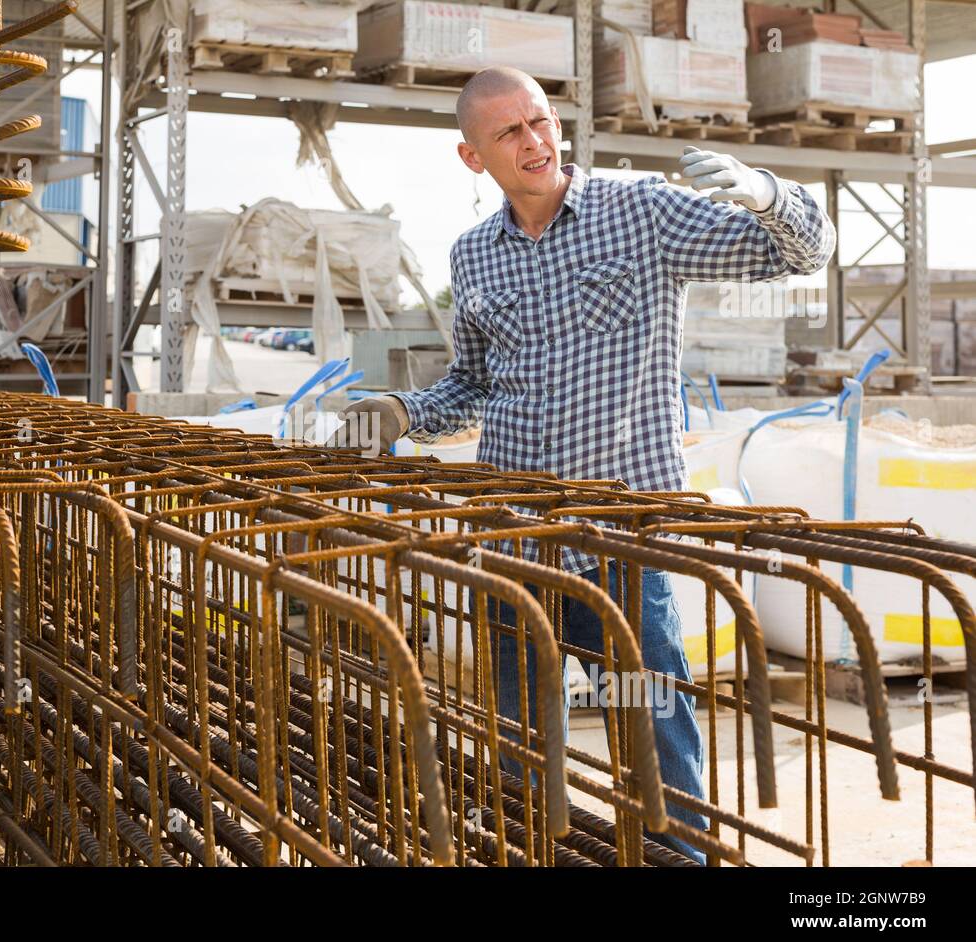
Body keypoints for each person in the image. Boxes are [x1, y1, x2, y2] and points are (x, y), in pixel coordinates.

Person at [327, 66, 835, 863]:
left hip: (619, 541)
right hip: (512, 541)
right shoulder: (475, 257)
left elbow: (801, 256)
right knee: (521, 744)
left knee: (650, 723)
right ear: (473, 159)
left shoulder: (638, 212)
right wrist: (403, 413)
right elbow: (474, 385)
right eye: (509, 133)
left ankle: (682, 860)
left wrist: (764, 193)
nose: (534, 142)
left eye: (539, 122)